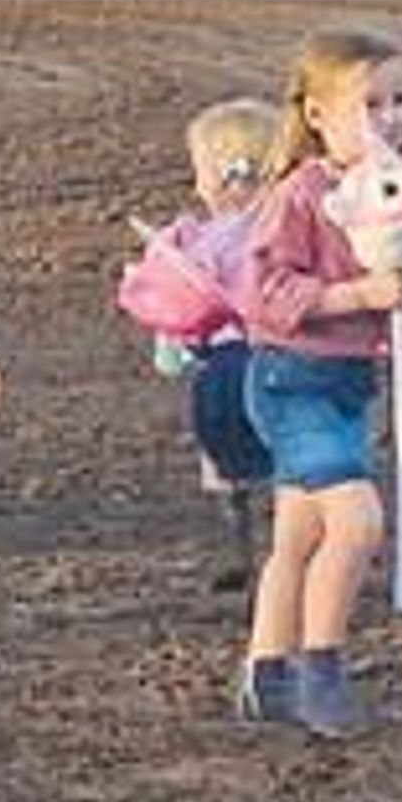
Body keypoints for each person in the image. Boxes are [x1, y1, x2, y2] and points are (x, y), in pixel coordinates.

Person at [235, 28, 402, 737]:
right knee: (357, 521)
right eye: (372, 103)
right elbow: (262, 288)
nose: (393, 119)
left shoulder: (398, 191)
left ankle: (266, 671)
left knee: (298, 536)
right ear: (317, 114)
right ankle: (323, 667)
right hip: (291, 382)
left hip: (350, 385)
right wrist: (359, 296)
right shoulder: (301, 195)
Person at [149, 98, 279, 592]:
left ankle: (243, 551)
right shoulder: (281, 232)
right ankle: (279, 550)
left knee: (228, 469)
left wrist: (171, 356)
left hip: (220, 369)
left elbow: (175, 313)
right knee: (284, 463)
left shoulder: (193, 242)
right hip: (280, 362)